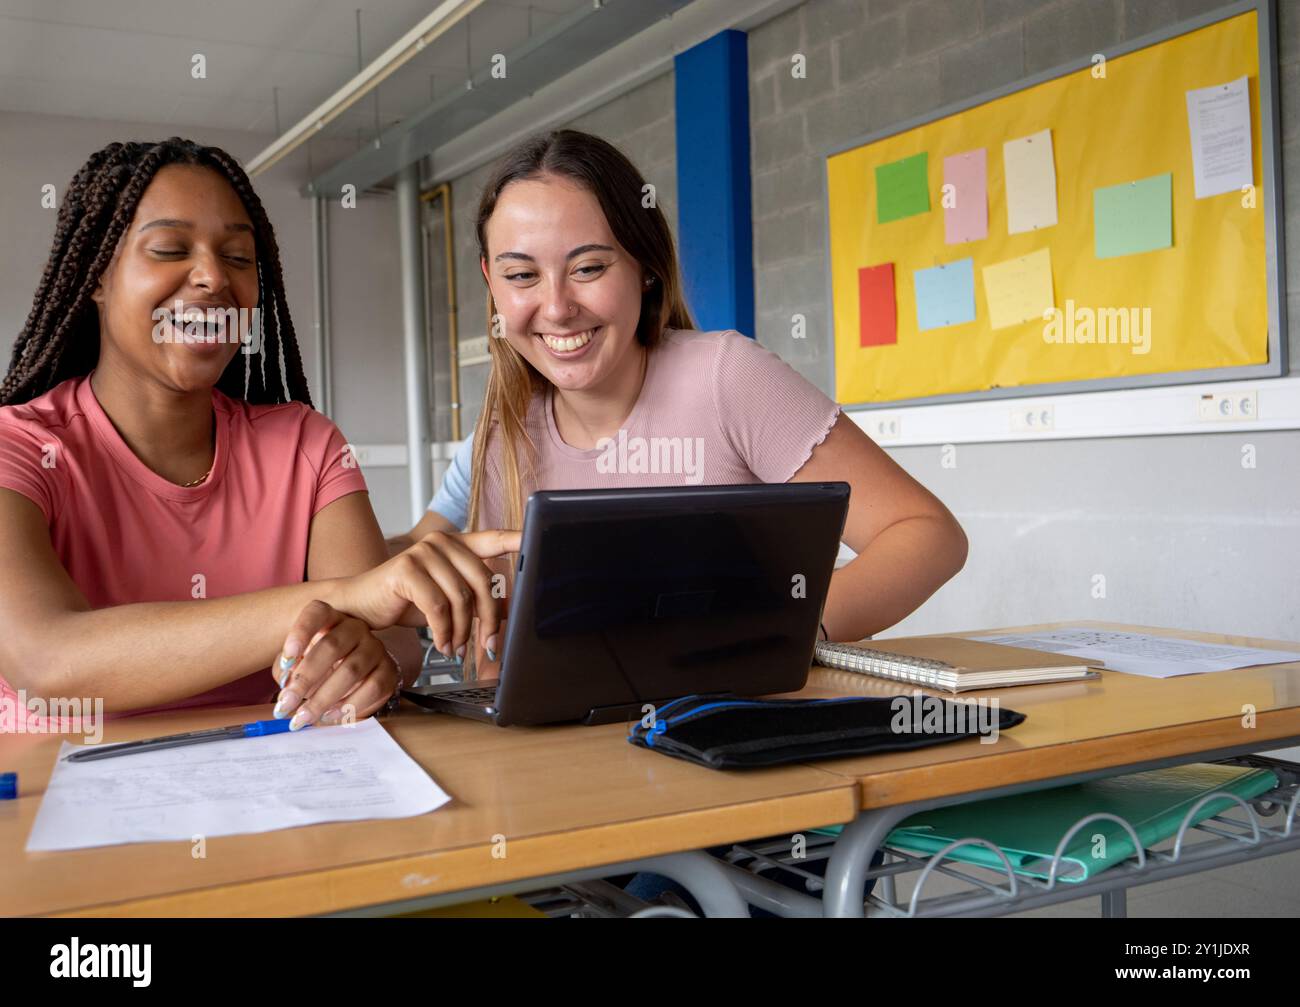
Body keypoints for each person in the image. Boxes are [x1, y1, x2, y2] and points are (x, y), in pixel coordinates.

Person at [0, 138, 515, 733]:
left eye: (240, 258)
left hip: (279, 796)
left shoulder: (306, 445)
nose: (213, 276)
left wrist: (367, 664)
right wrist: (347, 598)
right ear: (95, 277)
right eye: (169, 248)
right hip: (63, 804)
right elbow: (46, 661)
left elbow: (390, 639)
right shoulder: (21, 448)